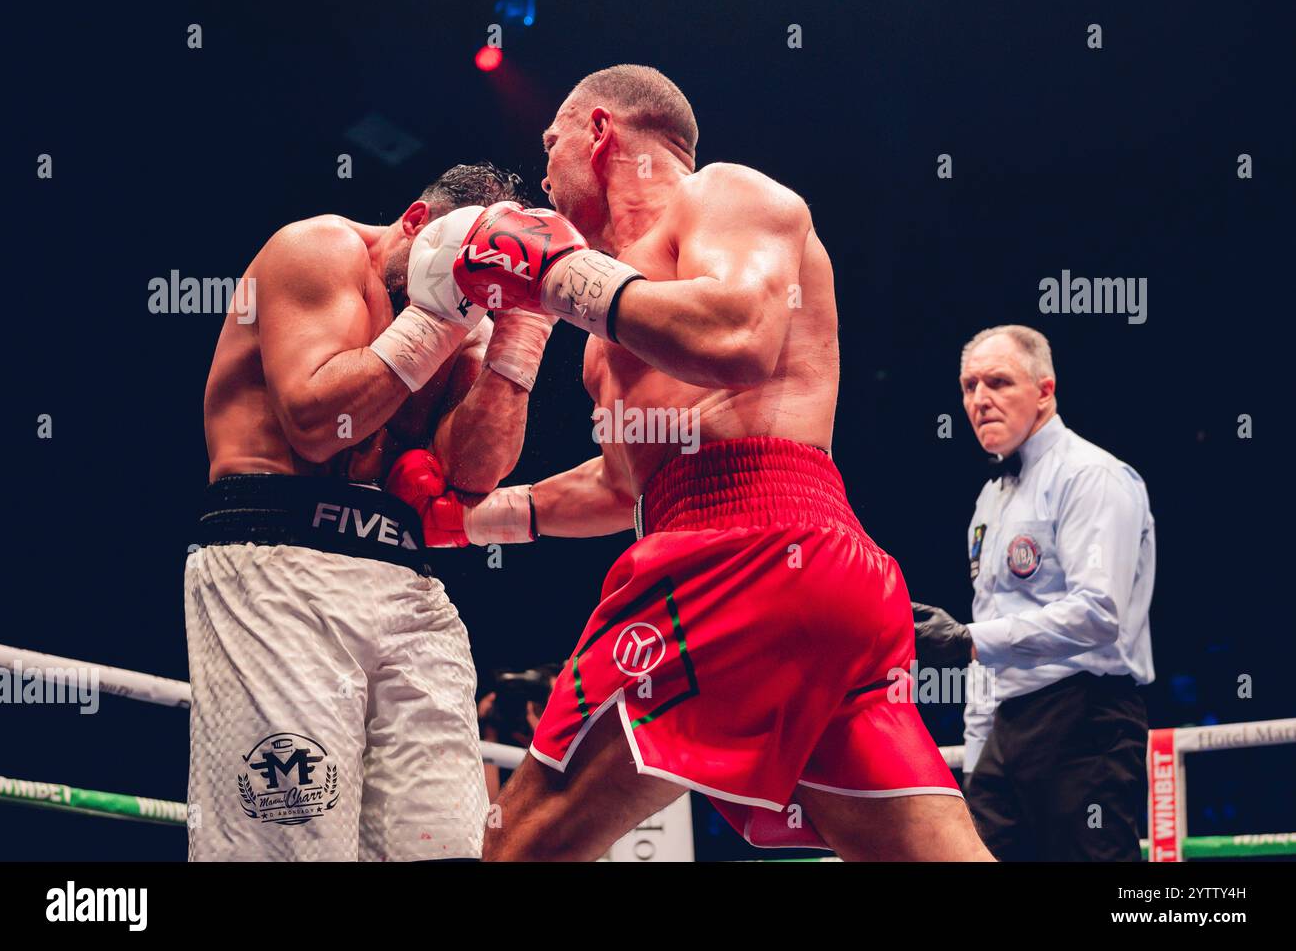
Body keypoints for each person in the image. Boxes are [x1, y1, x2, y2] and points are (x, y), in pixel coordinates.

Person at [389, 65, 992, 861]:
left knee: (515, 847)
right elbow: (620, 488)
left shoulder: (725, 194)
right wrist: (470, 517)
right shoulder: (610, 326)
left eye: (551, 141)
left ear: (601, 133)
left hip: (748, 548)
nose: (541, 172)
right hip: (811, 586)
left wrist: (559, 271)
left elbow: (740, 339)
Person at [187, 163, 552, 861]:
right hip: (277, 565)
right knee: (287, 838)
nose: (472, 287)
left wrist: (521, 331)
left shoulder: (470, 316)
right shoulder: (315, 249)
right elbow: (317, 426)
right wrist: (442, 308)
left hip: (407, 581)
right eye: (463, 260)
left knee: (445, 845)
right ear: (416, 222)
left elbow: (474, 472)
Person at [911, 324, 1155, 861]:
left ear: (1045, 390)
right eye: (969, 386)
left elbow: (1099, 613)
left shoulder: (1091, 477)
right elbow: (990, 621)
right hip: (1005, 731)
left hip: (1084, 720)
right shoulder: (991, 498)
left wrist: (968, 640)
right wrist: (978, 758)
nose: (980, 400)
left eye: (998, 382)